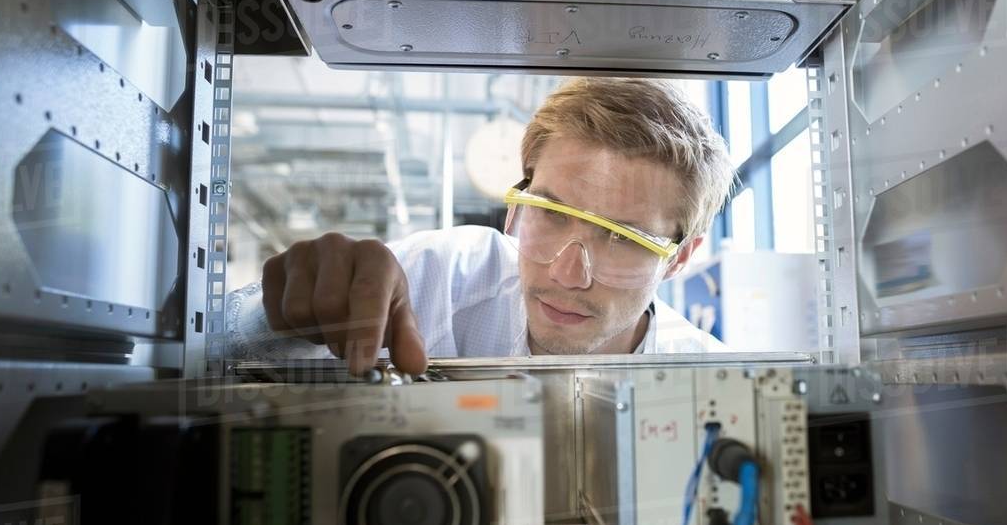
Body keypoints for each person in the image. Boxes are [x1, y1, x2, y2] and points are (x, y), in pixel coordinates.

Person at [226, 77, 736, 374]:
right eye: (553, 215)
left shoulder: (707, 381)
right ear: (517, 205)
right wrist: (272, 321)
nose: (567, 274)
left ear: (680, 257)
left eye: (622, 238)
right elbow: (206, 354)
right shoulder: (439, 277)